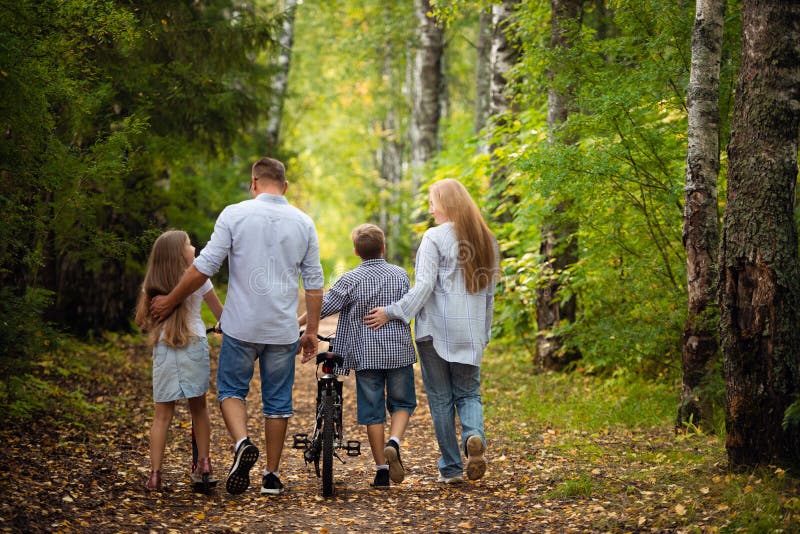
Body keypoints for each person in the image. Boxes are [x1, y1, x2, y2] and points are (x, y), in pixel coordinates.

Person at [150, 157, 324, 496]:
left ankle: (243, 442)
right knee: (278, 402)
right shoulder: (304, 223)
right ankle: (271, 476)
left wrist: (170, 300)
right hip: (281, 330)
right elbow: (315, 283)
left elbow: (204, 267)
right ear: (285, 186)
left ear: (254, 183)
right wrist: (311, 331)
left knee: (231, 391)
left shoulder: (234, 214)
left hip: (241, 327)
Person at [364, 179, 498, 484]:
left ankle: (451, 468)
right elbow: (490, 294)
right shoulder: (487, 239)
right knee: (469, 393)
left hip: (435, 332)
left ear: (447, 204)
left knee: (440, 399)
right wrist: (484, 333)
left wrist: (392, 311)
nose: (430, 208)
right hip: (471, 331)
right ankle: (473, 437)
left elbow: (424, 286)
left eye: (432, 202)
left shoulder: (434, 237)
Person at [298, 224, 417, 488]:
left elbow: (322, 307)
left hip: (366, 355)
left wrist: (297, 323)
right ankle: (394, 442)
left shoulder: (350, 279)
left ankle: (381, 470)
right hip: (399, 352)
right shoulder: (400, 275)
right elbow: (408, 305)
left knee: (373, 411)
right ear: (383, 247)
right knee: (403, 403)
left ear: (356, 251)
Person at [134, 230, 224, 492]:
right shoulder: (199, 277)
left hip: (164, 347)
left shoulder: (153, 281)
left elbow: (141, 320)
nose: (193, 247)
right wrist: (222, 325)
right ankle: (204, 464)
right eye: (188, 244)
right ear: (179, 253)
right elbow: (221, 314)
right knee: (199, 409)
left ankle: (155, 475)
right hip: (194, 343)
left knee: (162, 415)